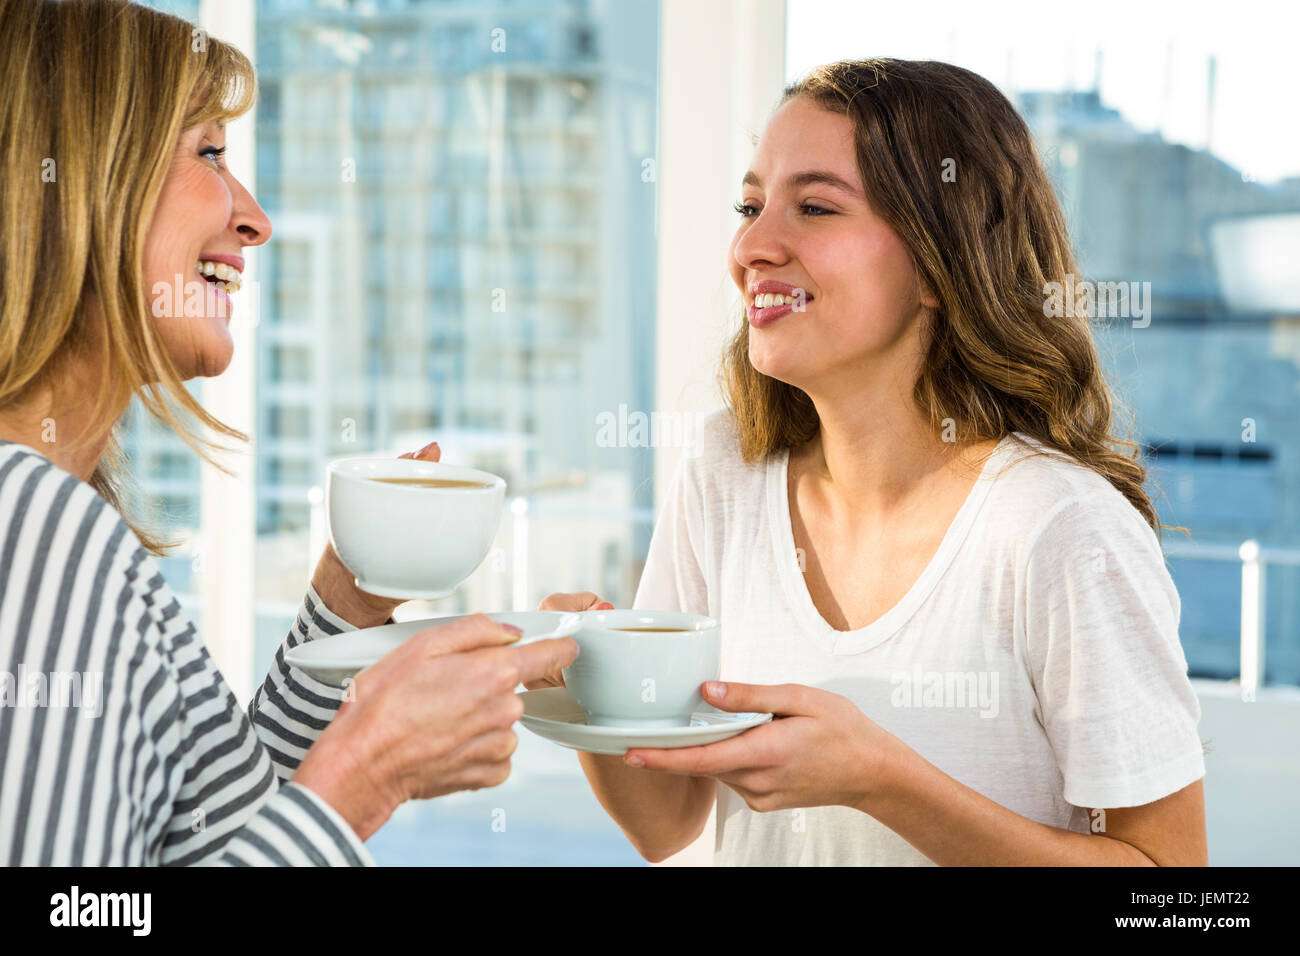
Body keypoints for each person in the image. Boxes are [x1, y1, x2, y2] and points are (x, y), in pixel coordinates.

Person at [544, 59, 1208, 866]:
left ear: (938, 260)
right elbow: (666, 823)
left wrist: (881, 780)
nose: (751, 247)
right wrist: (590, 694)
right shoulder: (724, 469)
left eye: (815, 207)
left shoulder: (1061, 529)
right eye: (750, 207)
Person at [0, 0, 576, 866]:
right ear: (82, 182)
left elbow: (199, 840)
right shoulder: (40, 531)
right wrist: (366, 775)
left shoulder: (48, 520)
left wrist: (345, 609)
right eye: (208, 153)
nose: (255, 219)